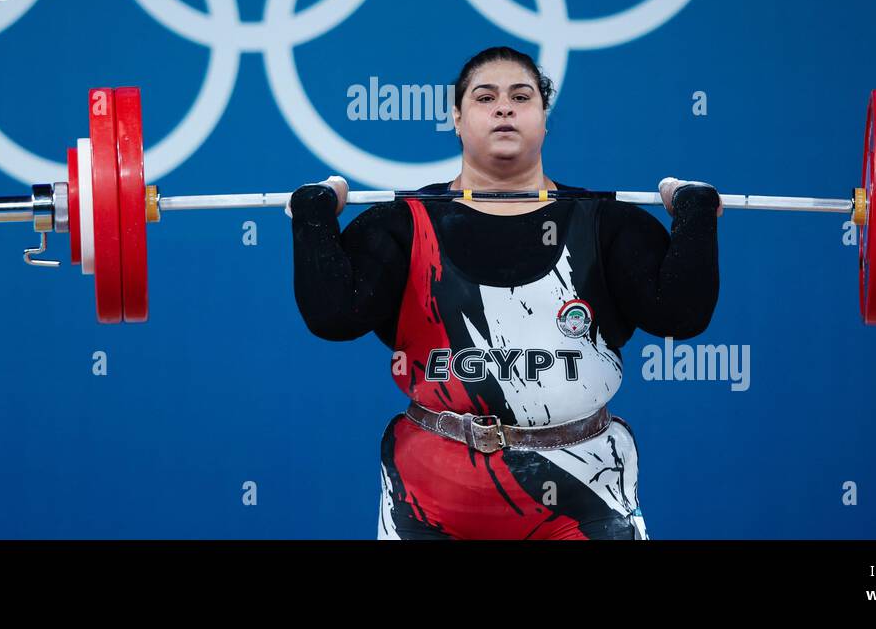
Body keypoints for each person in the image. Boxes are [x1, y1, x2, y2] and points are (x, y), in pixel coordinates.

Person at [288, 45, 721, 539]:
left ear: (543, 117)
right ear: (456, 117)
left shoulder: (607, 224)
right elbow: (333, 317)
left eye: (521, 96)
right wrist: (314, 217)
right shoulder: (400, 224)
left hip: (586, 490)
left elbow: (681, 315)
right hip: (428, 493)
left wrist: (695, 217)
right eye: (485, 96)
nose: (504, 107)